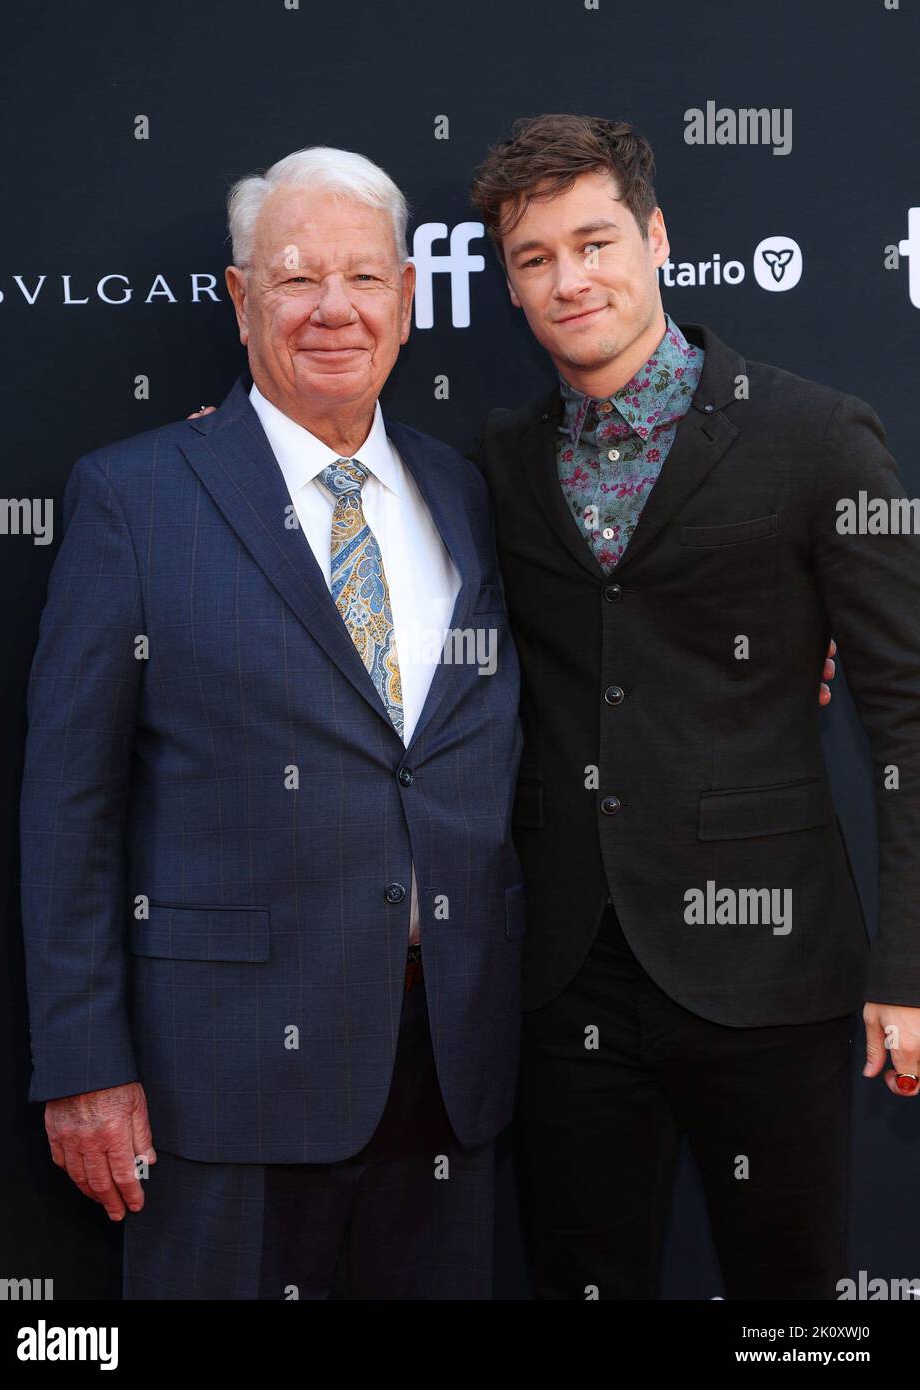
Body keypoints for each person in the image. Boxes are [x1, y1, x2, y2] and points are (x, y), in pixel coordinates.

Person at [19, 146, 525, 1300]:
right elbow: (67, 807)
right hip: (226, 1075)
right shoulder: (134, 499)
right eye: (296, 279)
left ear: (408, 294)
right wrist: (84, 1062)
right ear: (242, 300)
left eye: (361, 278)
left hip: (448, 1065)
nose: (333, 309)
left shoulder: (466, 494)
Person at [465, 112, 920, 1299]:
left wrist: (908, 964)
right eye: (533, 258)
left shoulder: (815, 436)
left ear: (656, 238)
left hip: (770, 967)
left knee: (790, 1297)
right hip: (568, 975)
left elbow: (905, 714)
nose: (571, 279)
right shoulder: (494, 467)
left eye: (594, 240)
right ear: (504, 284)